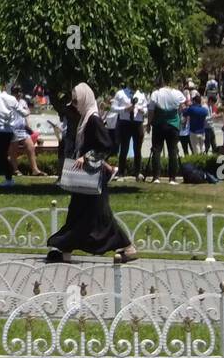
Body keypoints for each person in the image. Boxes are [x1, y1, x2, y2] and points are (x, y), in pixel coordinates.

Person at [46, 83, 138, 263]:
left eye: (76, 101)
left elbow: (106, 146)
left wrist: (86, 157)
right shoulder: (86, 118)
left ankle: (127, 247)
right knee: (79, 213)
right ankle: (65, 249)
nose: (74, 105)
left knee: (99, 215)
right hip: (87, 175)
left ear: (85, 99)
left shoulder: (93, 119)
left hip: (93, 175)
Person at [146, 81, 186, 184]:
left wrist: (148, 124)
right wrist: (181, 119)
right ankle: (172, 178)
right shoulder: (177, 93)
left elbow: (151, 110)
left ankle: (156, 177)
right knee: (173, 151)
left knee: (156, 150)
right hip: (173, 124)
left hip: (158, 124)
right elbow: (182, 107)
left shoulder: (156, 93)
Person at [111, 86, 144, 181]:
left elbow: (146, 108)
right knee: (124, 148)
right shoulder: (120, 93)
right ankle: (121, 173)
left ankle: (137, 172)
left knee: (137, 149)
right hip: (125, 122)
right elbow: (113, 108)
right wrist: (125, 109)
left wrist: (142, 110)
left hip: (137, 122)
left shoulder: (141, 94)